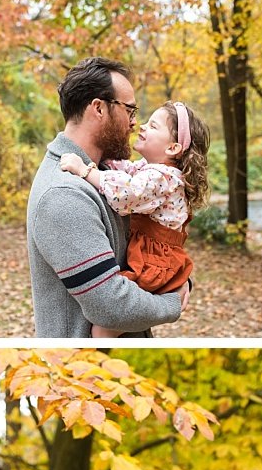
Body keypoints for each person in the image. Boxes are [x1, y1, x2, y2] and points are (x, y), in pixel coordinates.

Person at [27, 57, 189, 339]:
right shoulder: (63, 195)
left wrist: (178, 278)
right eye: (129, 109)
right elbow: (111, 306)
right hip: (82, 370)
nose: (134, 122)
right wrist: (171, 302)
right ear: (99, 108)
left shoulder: (105, 174)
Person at [58, 100, 210, 339]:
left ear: (172, 148)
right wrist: (104, 161)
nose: (142, 126)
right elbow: (126, 171)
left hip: (153, 260)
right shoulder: (153, 171)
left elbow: (126, 194)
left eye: (153, 126)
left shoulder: (164, 178)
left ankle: (106, 339)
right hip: (152, 254)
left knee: (103, 327)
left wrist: (86, 171)